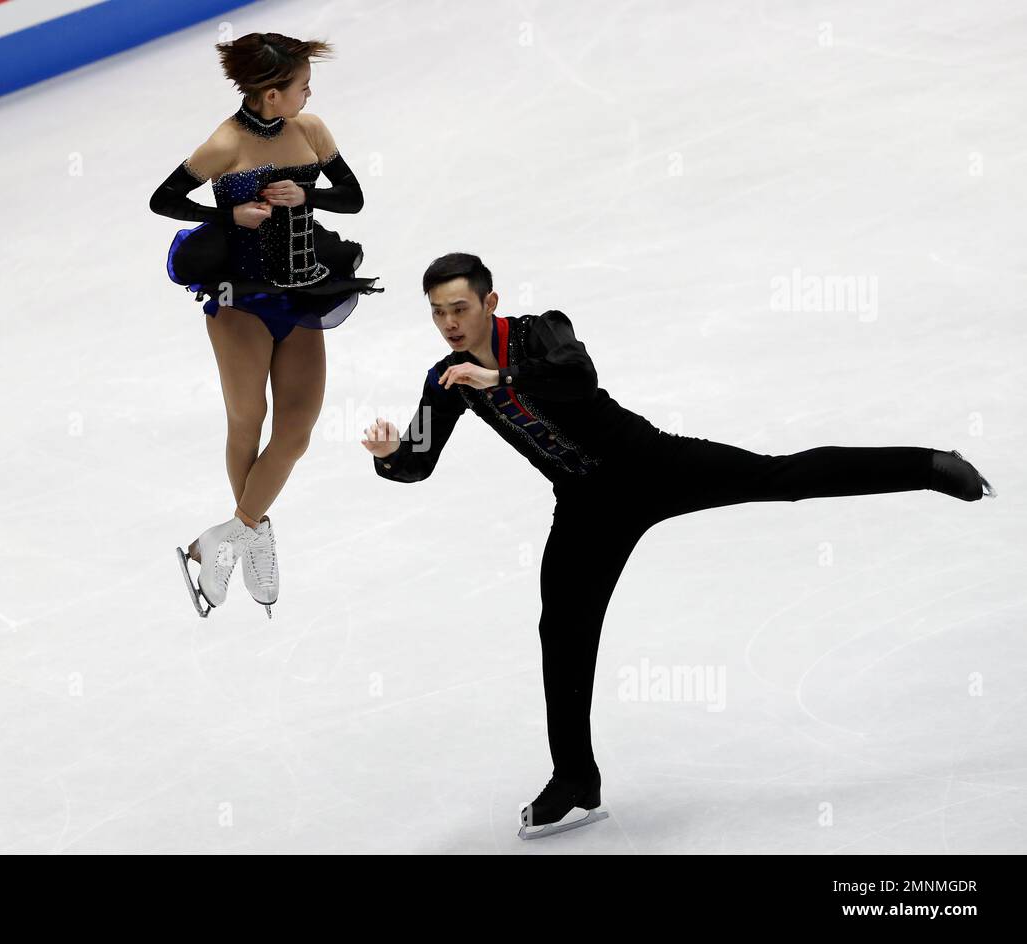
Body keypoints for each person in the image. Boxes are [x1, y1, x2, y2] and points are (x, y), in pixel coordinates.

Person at [361, 252, 996, 840]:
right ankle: (576, 781)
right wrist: (392, 454)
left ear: (489, 301)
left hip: (652, 464)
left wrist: (501, 377)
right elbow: (419, 459)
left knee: (781, 477)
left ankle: (930, 465)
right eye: (438, 313)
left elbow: (577, 379)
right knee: (562, 631)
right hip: (588, 507)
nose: (448, 323)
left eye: (459, 308)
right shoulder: (445, 377)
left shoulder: (538, 332)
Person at [151, 32, 382, 618]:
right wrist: (229, 213)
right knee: (248, 419)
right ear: (272, 95)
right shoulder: (225, 143)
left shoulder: (311, 131)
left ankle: (232, 534)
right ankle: (253, 535)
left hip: (302, 291)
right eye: (302, 85)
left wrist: (305, 199)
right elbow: (165, 199)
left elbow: (352, 198)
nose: (311, 92)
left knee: (297, 432)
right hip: (241, 299)